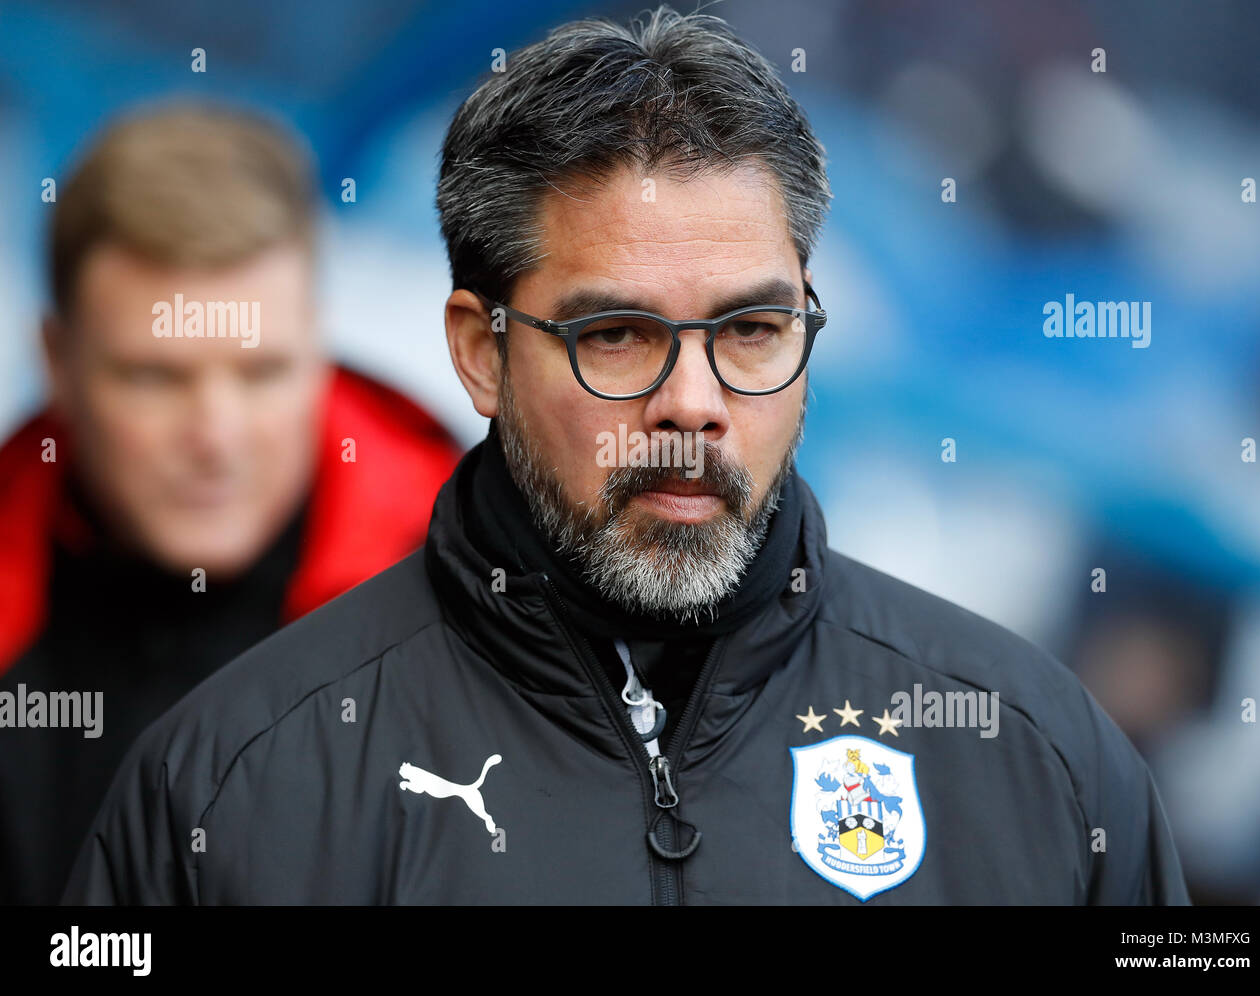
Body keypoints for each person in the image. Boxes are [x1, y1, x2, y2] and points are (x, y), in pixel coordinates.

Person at [62, 9, 1189, 905]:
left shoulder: (1040, 760)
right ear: (480, 354)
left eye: (750, 332)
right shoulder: (228, 785)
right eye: (617, 336)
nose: (691, 406)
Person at [0, 105, 461, 904]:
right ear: (58, 363)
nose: (216, 436)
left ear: (318, 347)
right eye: (154, 376)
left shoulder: (484, 598)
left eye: (261, 374)